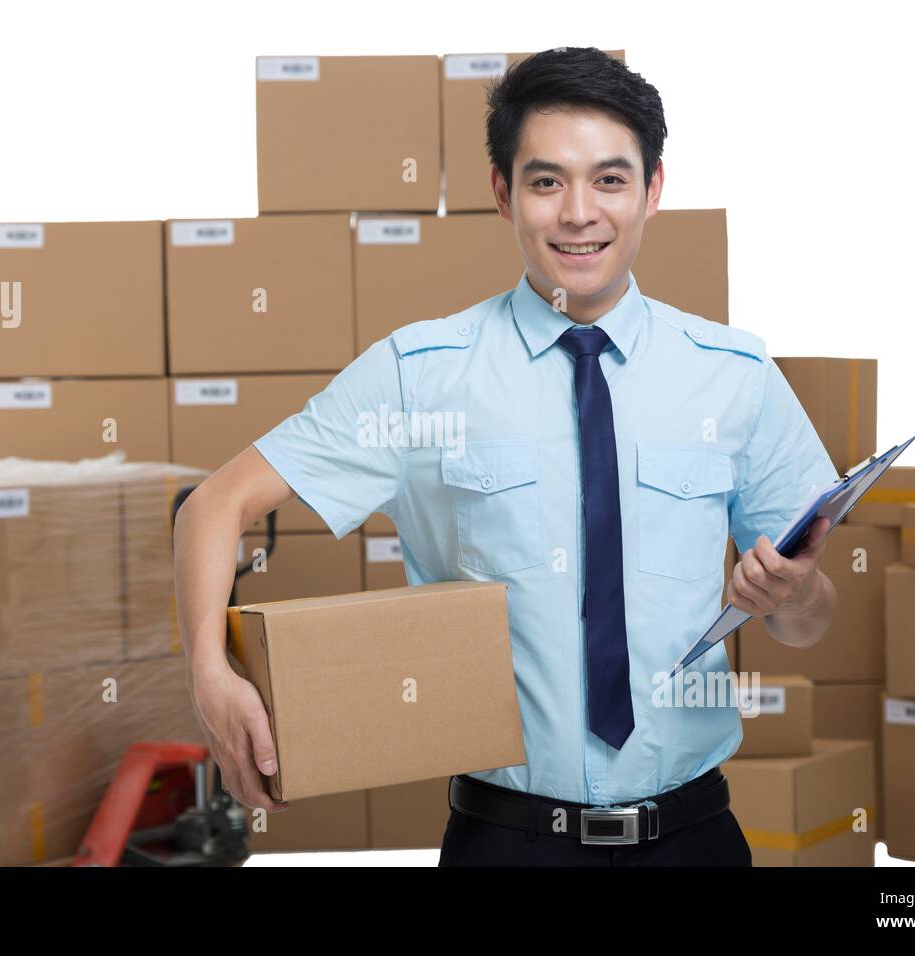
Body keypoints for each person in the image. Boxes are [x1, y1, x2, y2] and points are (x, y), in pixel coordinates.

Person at [173, 46, 838, 866]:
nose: (579, 213)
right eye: (547, 181)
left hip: (692, 838)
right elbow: (215, 505)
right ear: (503, 193)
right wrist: (210, 673)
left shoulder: (735, 378)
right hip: (507, 840)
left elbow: (807, 624)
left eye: (611, 179)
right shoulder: (421, 378)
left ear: (654, 191)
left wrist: (795, 593)